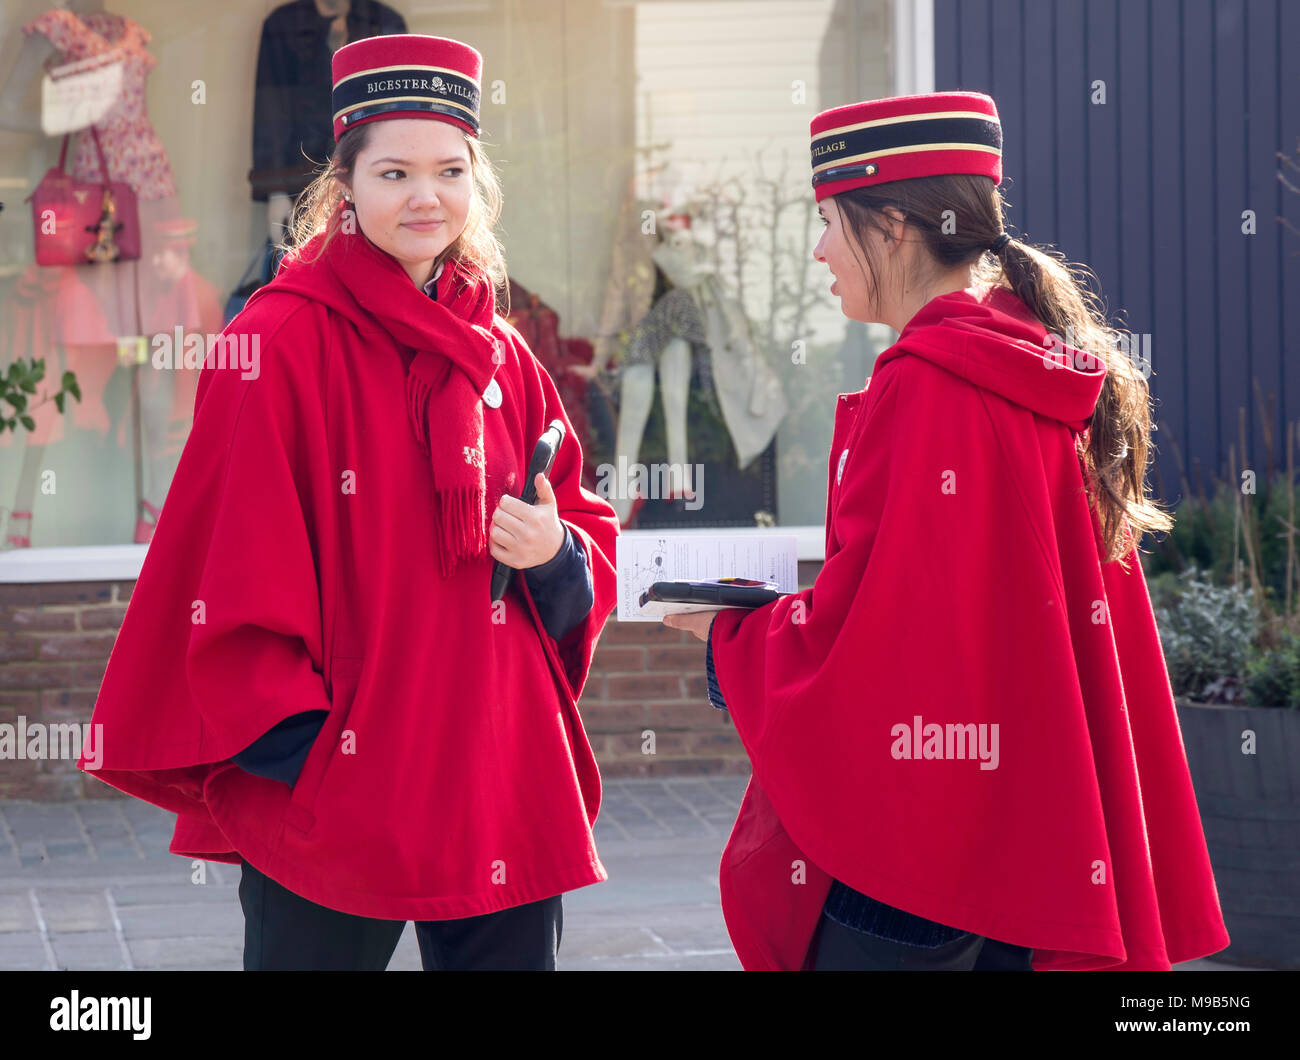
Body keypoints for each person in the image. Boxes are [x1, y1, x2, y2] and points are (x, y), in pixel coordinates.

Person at [76, 34, 620, 971]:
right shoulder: (277, 342)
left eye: (450, 170)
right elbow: (226, 564)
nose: (425, 196)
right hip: (341, 785)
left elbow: (580, 522)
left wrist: (557, 552)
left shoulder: (505, 353)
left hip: (496, 771)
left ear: (475, 183)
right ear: (345, 185)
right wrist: (310, 756)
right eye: (395, 170)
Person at [664, 91, 1231, 971]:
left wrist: (729, 637)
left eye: (828, 223)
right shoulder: (1024, 354)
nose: (819, 251)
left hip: (919, 855)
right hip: (1019, 840)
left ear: (892, 227)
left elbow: (884, 644)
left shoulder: (931, 385)